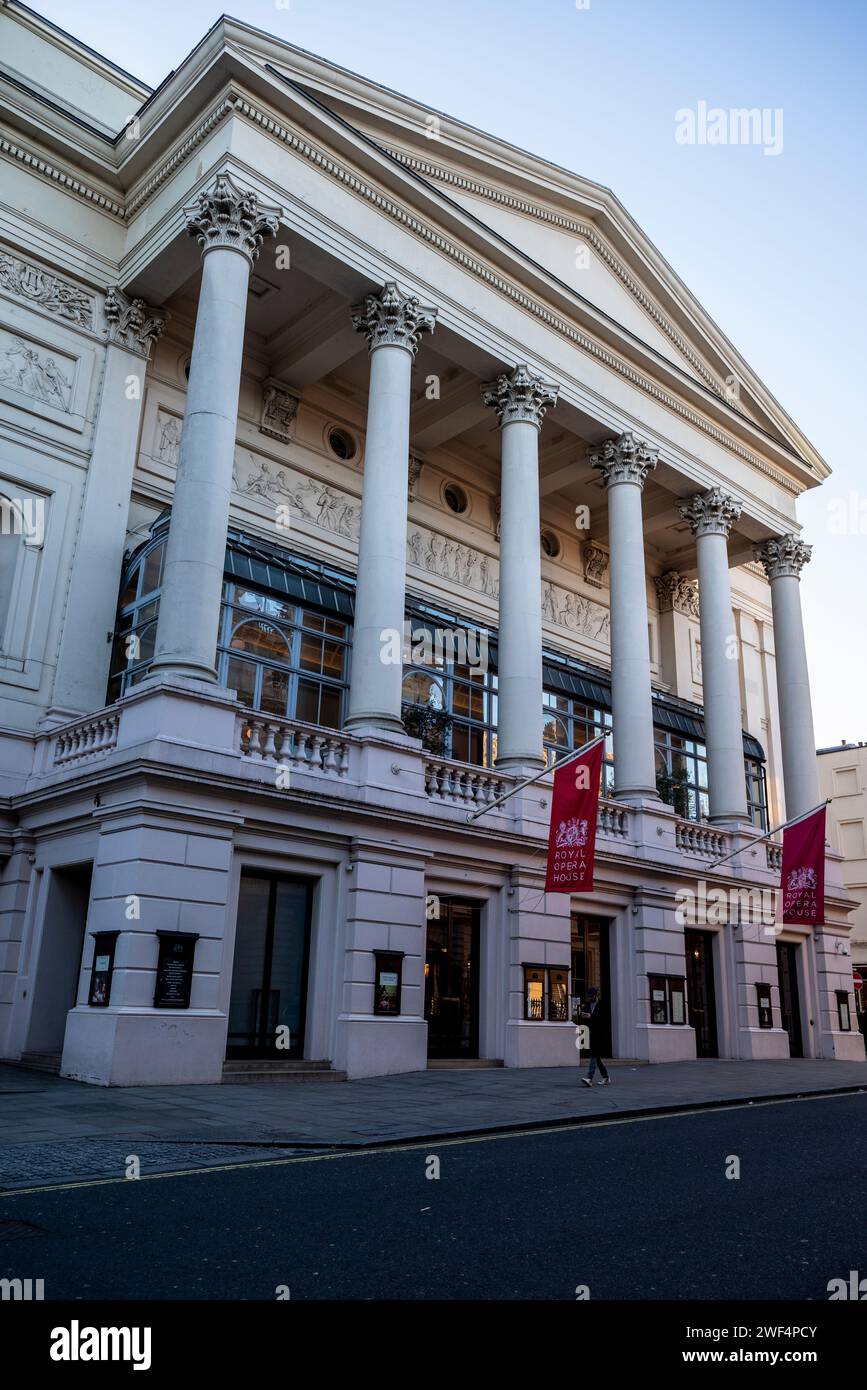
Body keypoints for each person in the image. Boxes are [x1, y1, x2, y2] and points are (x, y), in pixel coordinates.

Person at [579, 987, 611, 1087]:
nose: (590, 998)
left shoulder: (602, 1005)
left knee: (594, 1054)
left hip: (600, 1034)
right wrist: (583, 1015)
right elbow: (583, 1016)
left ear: (596, 995)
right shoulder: (587, 1005)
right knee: (596, 1057)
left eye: (591, 996)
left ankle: (589, 1078)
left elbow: (604, 1018)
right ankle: (605, 1077)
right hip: (590, 1032)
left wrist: (591, 1017)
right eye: (589, 996)